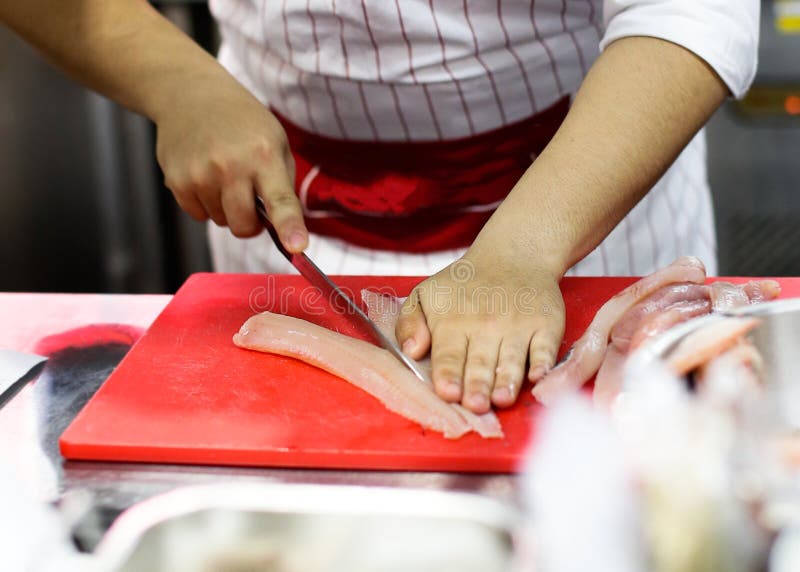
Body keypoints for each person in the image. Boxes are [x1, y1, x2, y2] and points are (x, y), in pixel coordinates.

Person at [0, 1, 759, 414]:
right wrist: (173, 81)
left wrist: (521, 252)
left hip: (589, 216)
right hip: (285, 222)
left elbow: (693, 13)